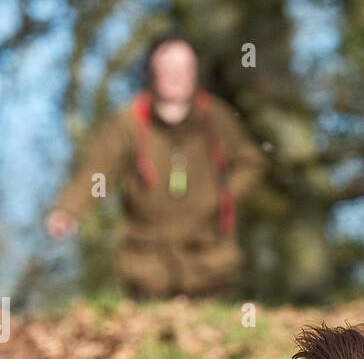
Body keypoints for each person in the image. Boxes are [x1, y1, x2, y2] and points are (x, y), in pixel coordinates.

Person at [46, 34, 265, 298]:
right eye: (168, 68)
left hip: (209, 261)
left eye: (184, 69)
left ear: (194, 74)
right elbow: (98, 170)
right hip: (146, 266)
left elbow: (250, 162)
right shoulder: (128, 122)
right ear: (151, 72)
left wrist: (225, 195)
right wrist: (69, 209)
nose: (176, 75)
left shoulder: (217, 119)